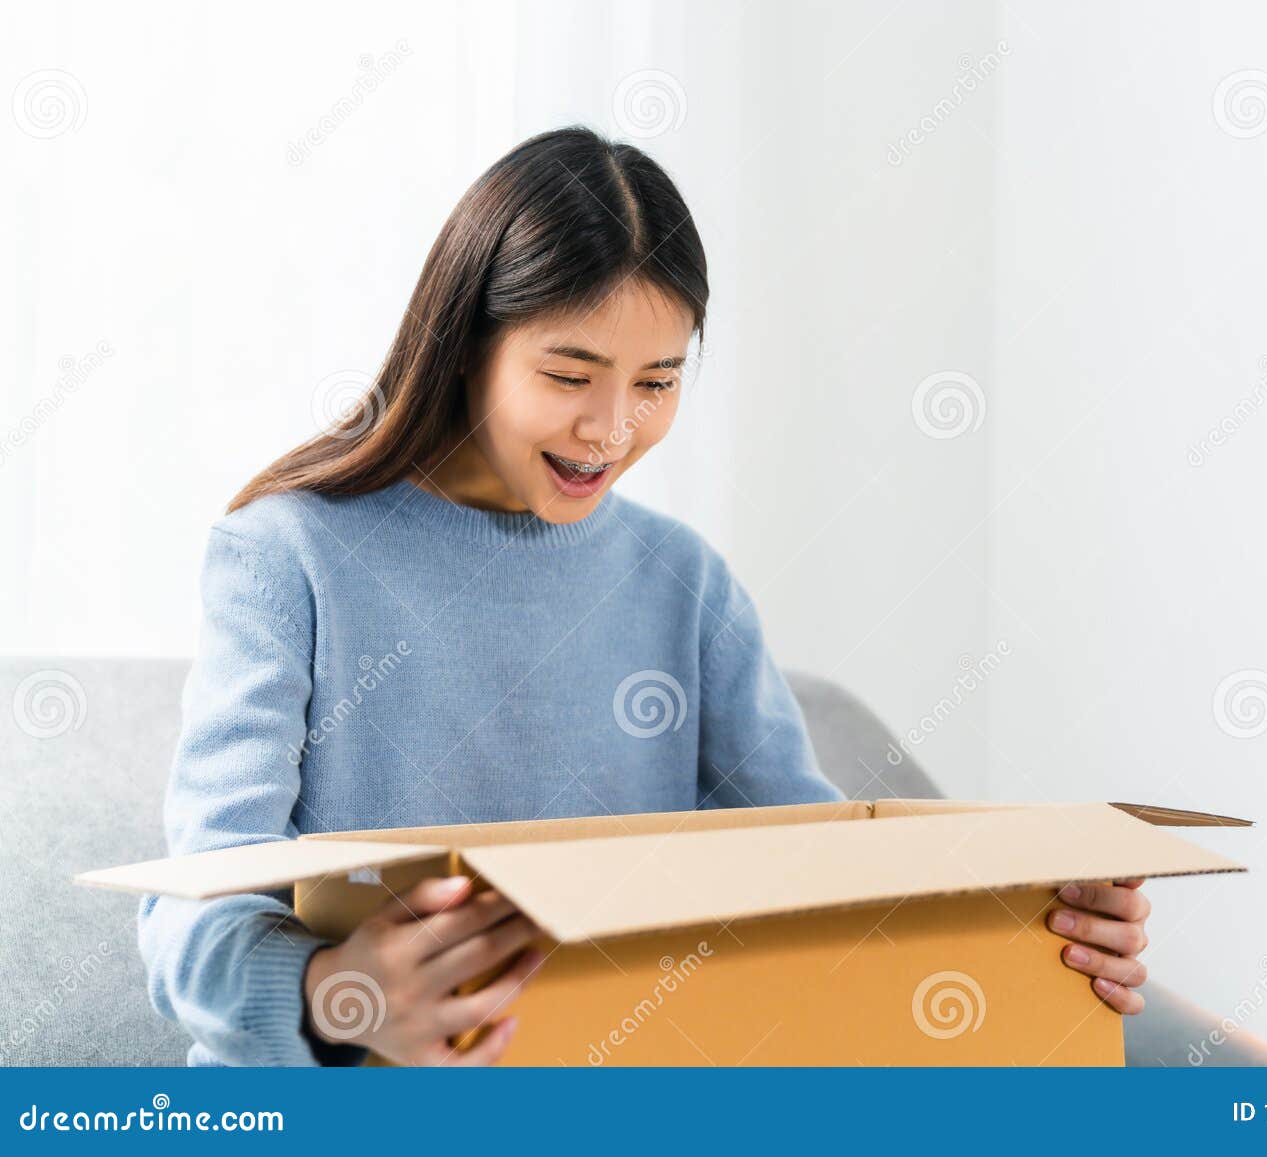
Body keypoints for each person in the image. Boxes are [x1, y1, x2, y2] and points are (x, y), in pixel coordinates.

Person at [137, 127, 1151, 1066]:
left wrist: (1042, 919)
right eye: (569, 373)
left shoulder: (685, 584)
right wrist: (334, 988)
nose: (610, 430)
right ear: (464, 348)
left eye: (657, 382)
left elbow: (830, 879)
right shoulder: (288, 556)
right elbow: (188, 921)